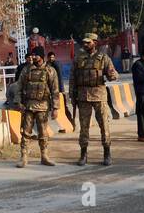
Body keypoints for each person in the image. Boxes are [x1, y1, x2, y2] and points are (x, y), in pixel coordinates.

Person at [70, 32, 118, 166]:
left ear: (95, 43)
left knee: (104, 125)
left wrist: (111, 75)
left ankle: (107, 153)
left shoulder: (104, 58)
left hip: (99, 95)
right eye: (84, 42)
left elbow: (113, 74)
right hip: (83, 96)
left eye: (88, 42)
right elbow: (72, 78)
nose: (85, 44)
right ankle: (83, 154)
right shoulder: (78, 59)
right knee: (84, 127)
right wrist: (72, 95)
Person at [14, 47, 57, 167]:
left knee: (43, 133)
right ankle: (23, 157)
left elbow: (55, 90)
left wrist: (56, 108)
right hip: (28, 107)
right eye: (32, 55)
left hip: (43, 106)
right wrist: (18, 102)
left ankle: (44, 156)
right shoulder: (26, 70)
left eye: (35, 55)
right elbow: (19, 87)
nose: (33, 57)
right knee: (26, 133)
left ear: (41, 56)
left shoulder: (50, 70)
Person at [48, 51, 71, 128]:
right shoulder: (47, 65)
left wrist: (62, 90)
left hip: (58, 89)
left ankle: (71, 121)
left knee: (64, 107)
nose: (52, 59)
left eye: (53, 57)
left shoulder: (56, 64)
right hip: (50, 90)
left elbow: (60, 77)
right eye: (50, 57)